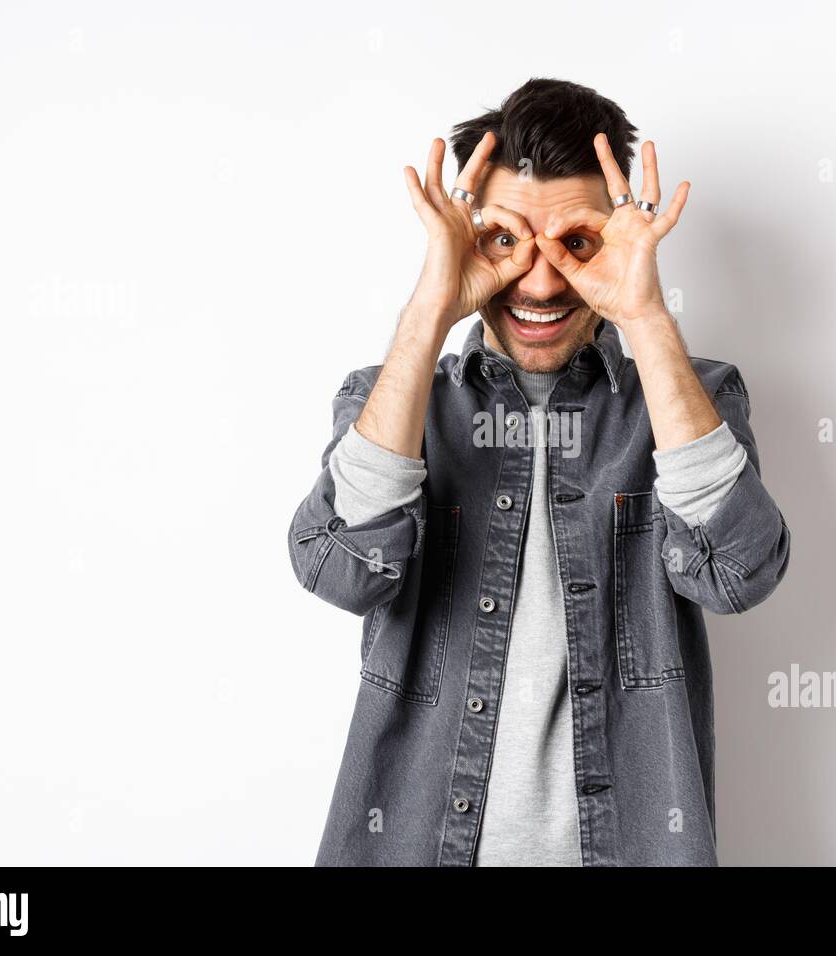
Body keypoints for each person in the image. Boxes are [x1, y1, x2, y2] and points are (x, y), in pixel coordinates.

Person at [288, 78, 790, 866]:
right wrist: (430, 307)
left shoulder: (694, 398)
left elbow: (738, 573)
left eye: (577, 243)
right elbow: (338, 571)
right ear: (466, 240)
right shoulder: (392, 401)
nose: (543, 281)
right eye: (504, 240)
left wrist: (644, 315)